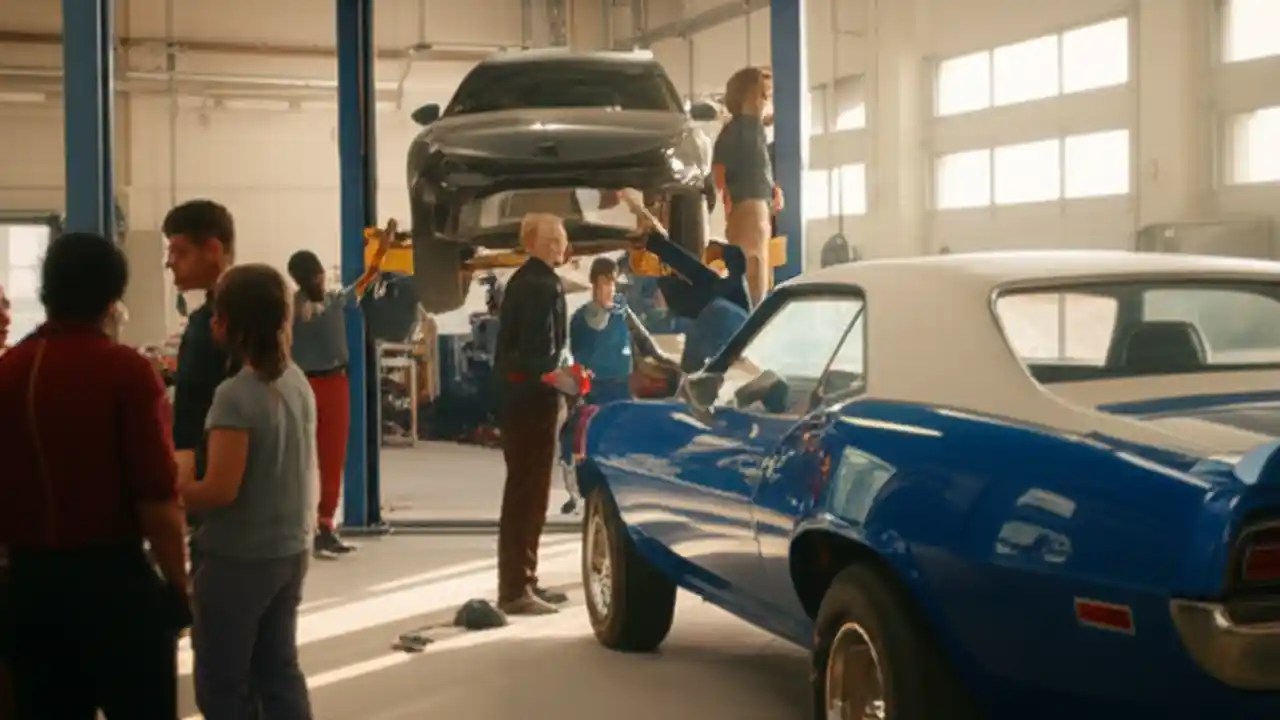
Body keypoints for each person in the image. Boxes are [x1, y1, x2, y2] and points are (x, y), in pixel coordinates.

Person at [0, 232, 190, 719]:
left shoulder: (11, 371)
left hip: (29, 592)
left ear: (47, 291)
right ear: (113, 298)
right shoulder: (125, 372)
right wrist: (178, 586)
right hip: (114, 588)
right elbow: (156, 499)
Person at [181, 264, 315, 720]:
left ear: (234, 325)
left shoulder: (235, 395)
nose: (213, 323)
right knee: (278, 672)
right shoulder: (297, 382)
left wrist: (167, 491)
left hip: (239, 559)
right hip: (290, 552)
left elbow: (219, 489)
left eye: (219, 315)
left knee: (222, 685)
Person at [287, 221, 392, 559]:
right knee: (304, 459)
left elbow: (369, 277)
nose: (317, 280)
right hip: (308, 384)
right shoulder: (291, 310)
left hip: (329, 383)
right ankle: (303, 525)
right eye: (311, 276)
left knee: (330, 457)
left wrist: (385, 246)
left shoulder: (334, 299)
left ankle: (324, 524)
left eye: (317, 274)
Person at [493, 213, 572, 615]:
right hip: (533, 402)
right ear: (532, 244)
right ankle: (516, 589)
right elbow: (542, 354)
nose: (562, 245)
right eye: (553, 239)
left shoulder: (523, 281)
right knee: (529, 493)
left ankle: (525, 579)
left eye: (562, 237)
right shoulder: (543, 285)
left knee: (525, 492)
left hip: (517, 399)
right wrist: (570, 380)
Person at [163, 199, 237, 572]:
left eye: (179, 251)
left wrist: (184, 489)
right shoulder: (208, 321)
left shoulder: (220, 326)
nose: (170, 262)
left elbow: (197, 414)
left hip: (219, 489)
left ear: (213, 250)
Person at [714, 65, 784, 306]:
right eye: (762, 95)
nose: (766, 101)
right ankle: (749, 310)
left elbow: (761, 164)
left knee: (760, 263)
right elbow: (719, 167)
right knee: (749, 262)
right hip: (746, 205)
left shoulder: (756, 131)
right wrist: (725, 195)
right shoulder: (735, 131)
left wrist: (772, 188)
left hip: (759, 204)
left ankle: (756, 307)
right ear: (747, 97)